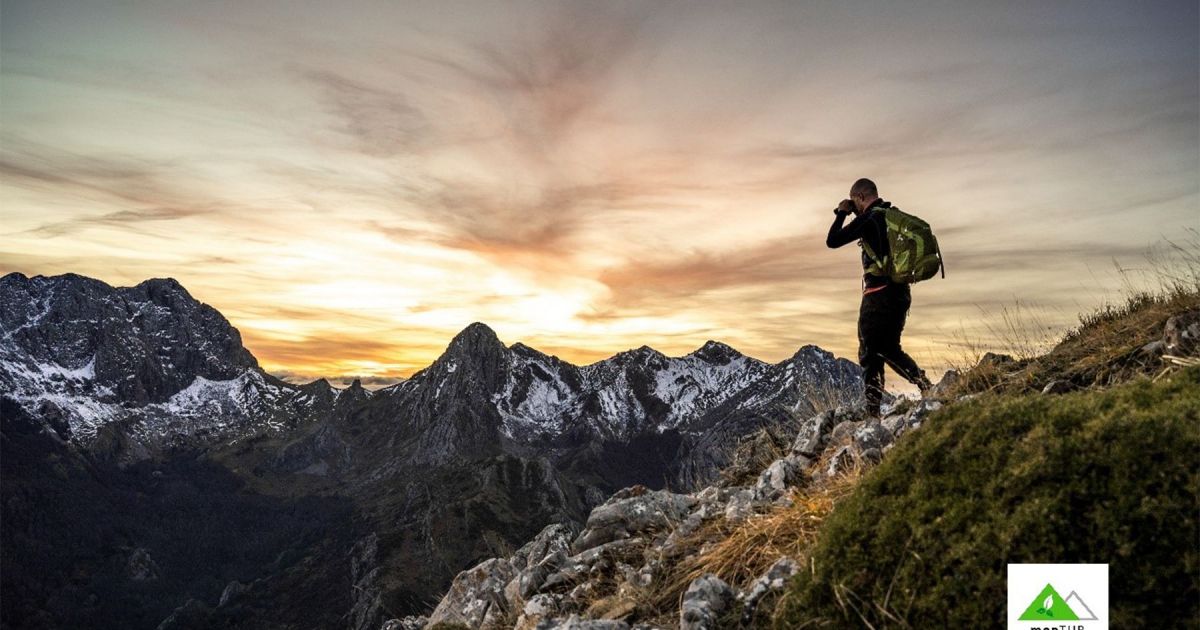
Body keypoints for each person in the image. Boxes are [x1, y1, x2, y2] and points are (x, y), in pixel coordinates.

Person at [826, 178, 932, 418]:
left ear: (860, 197)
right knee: (890, 348)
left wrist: (842, 213)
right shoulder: (890, 215)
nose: (854, 206)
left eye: (855, 201)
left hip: (877, 296)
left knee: (869, 353)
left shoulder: (870, 218)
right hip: (900, 293)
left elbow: (832, 240)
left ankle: (872, 414)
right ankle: (924, 384)